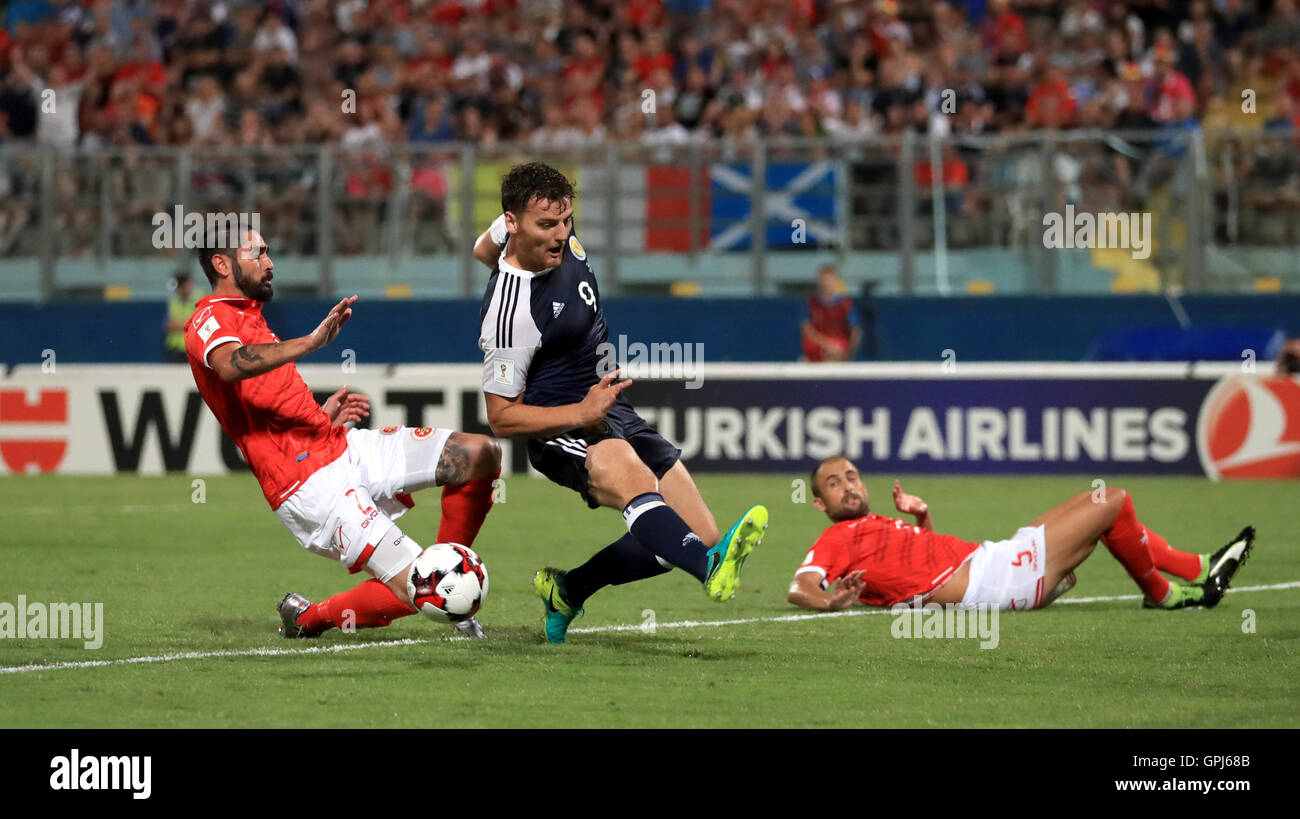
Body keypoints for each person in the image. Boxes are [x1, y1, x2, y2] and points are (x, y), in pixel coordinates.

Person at [472, 162, 767, 644]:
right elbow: (501, 417)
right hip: (562, 427)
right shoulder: (510, 316)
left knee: (698, 530)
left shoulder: (537, 232)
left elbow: (483, 248)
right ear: (513, 221)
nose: (561, 234)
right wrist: (581, 415)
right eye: (547, 225)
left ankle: (568, 590)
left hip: (609, 410)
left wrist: (596, 409)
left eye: (566, 221)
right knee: (642, 487)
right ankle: (707, 571)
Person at [185, 223, 502, 640]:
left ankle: (446, 573)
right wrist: (312, 341)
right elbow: (230, 364)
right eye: (257, 254)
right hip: (308, 486)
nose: (270, 263)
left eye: (267, 251)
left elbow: (263, 392)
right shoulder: (208, 317)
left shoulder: (249, 315)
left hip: (337, 444)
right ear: (222, 263)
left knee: (480, 454)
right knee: (417, 591)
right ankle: (314, 617)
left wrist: (319, 413)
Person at [787, 456, 1254, 613]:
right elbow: (799, 586)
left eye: (851, 476)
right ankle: (1167, 593)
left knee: (1104, 514)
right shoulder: (836, 539)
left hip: (995, 560)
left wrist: (923, 520)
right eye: (833, 484)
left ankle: (1196, 567)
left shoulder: (877, 524)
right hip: (998, 579)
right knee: (1111, 501)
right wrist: (827, 601)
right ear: (819, 504)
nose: (847, 486)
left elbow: (924, 568)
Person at [800, 266, 861, 362]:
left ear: (836, 281)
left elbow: (855, 331)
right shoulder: (811, 303)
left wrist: (846, 352)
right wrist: (826, 344)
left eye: (829, 280)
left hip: (838, 351)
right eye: (824, 280)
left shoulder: (845, 304)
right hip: (814, 353)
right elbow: (806, 329)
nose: (826, 283)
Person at [164, 272, 201, 363]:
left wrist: (179, 325)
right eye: (179, 285)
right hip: (174, 349)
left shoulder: (200, 299)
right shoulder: (174, 301)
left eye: (183, 285)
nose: (180, 288)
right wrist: (186, 324)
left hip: (194, 350)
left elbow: (200, 325)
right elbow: (168, 326)